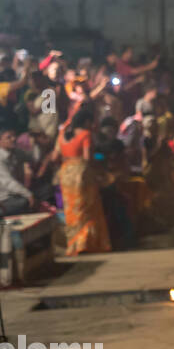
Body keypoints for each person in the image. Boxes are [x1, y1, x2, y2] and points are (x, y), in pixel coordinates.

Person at [57, 107, 110, 255]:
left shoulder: (62, 134)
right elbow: (88, 158)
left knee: (71, 209)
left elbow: (57, 156)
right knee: (87, 209)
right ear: (87, 121)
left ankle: (73, 244)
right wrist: (100, 161)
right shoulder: (86, 134)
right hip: (81, 174)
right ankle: (85, 243)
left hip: (65, 173)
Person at [0, 128, 35, 215]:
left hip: (14, 194)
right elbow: (8, 182)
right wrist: (28, 194)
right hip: (4, 198)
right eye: (9, 137)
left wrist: (34, 142)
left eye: (14, 136)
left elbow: (33, 159)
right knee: (24, 202)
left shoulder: (16, 152)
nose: (13, 139)